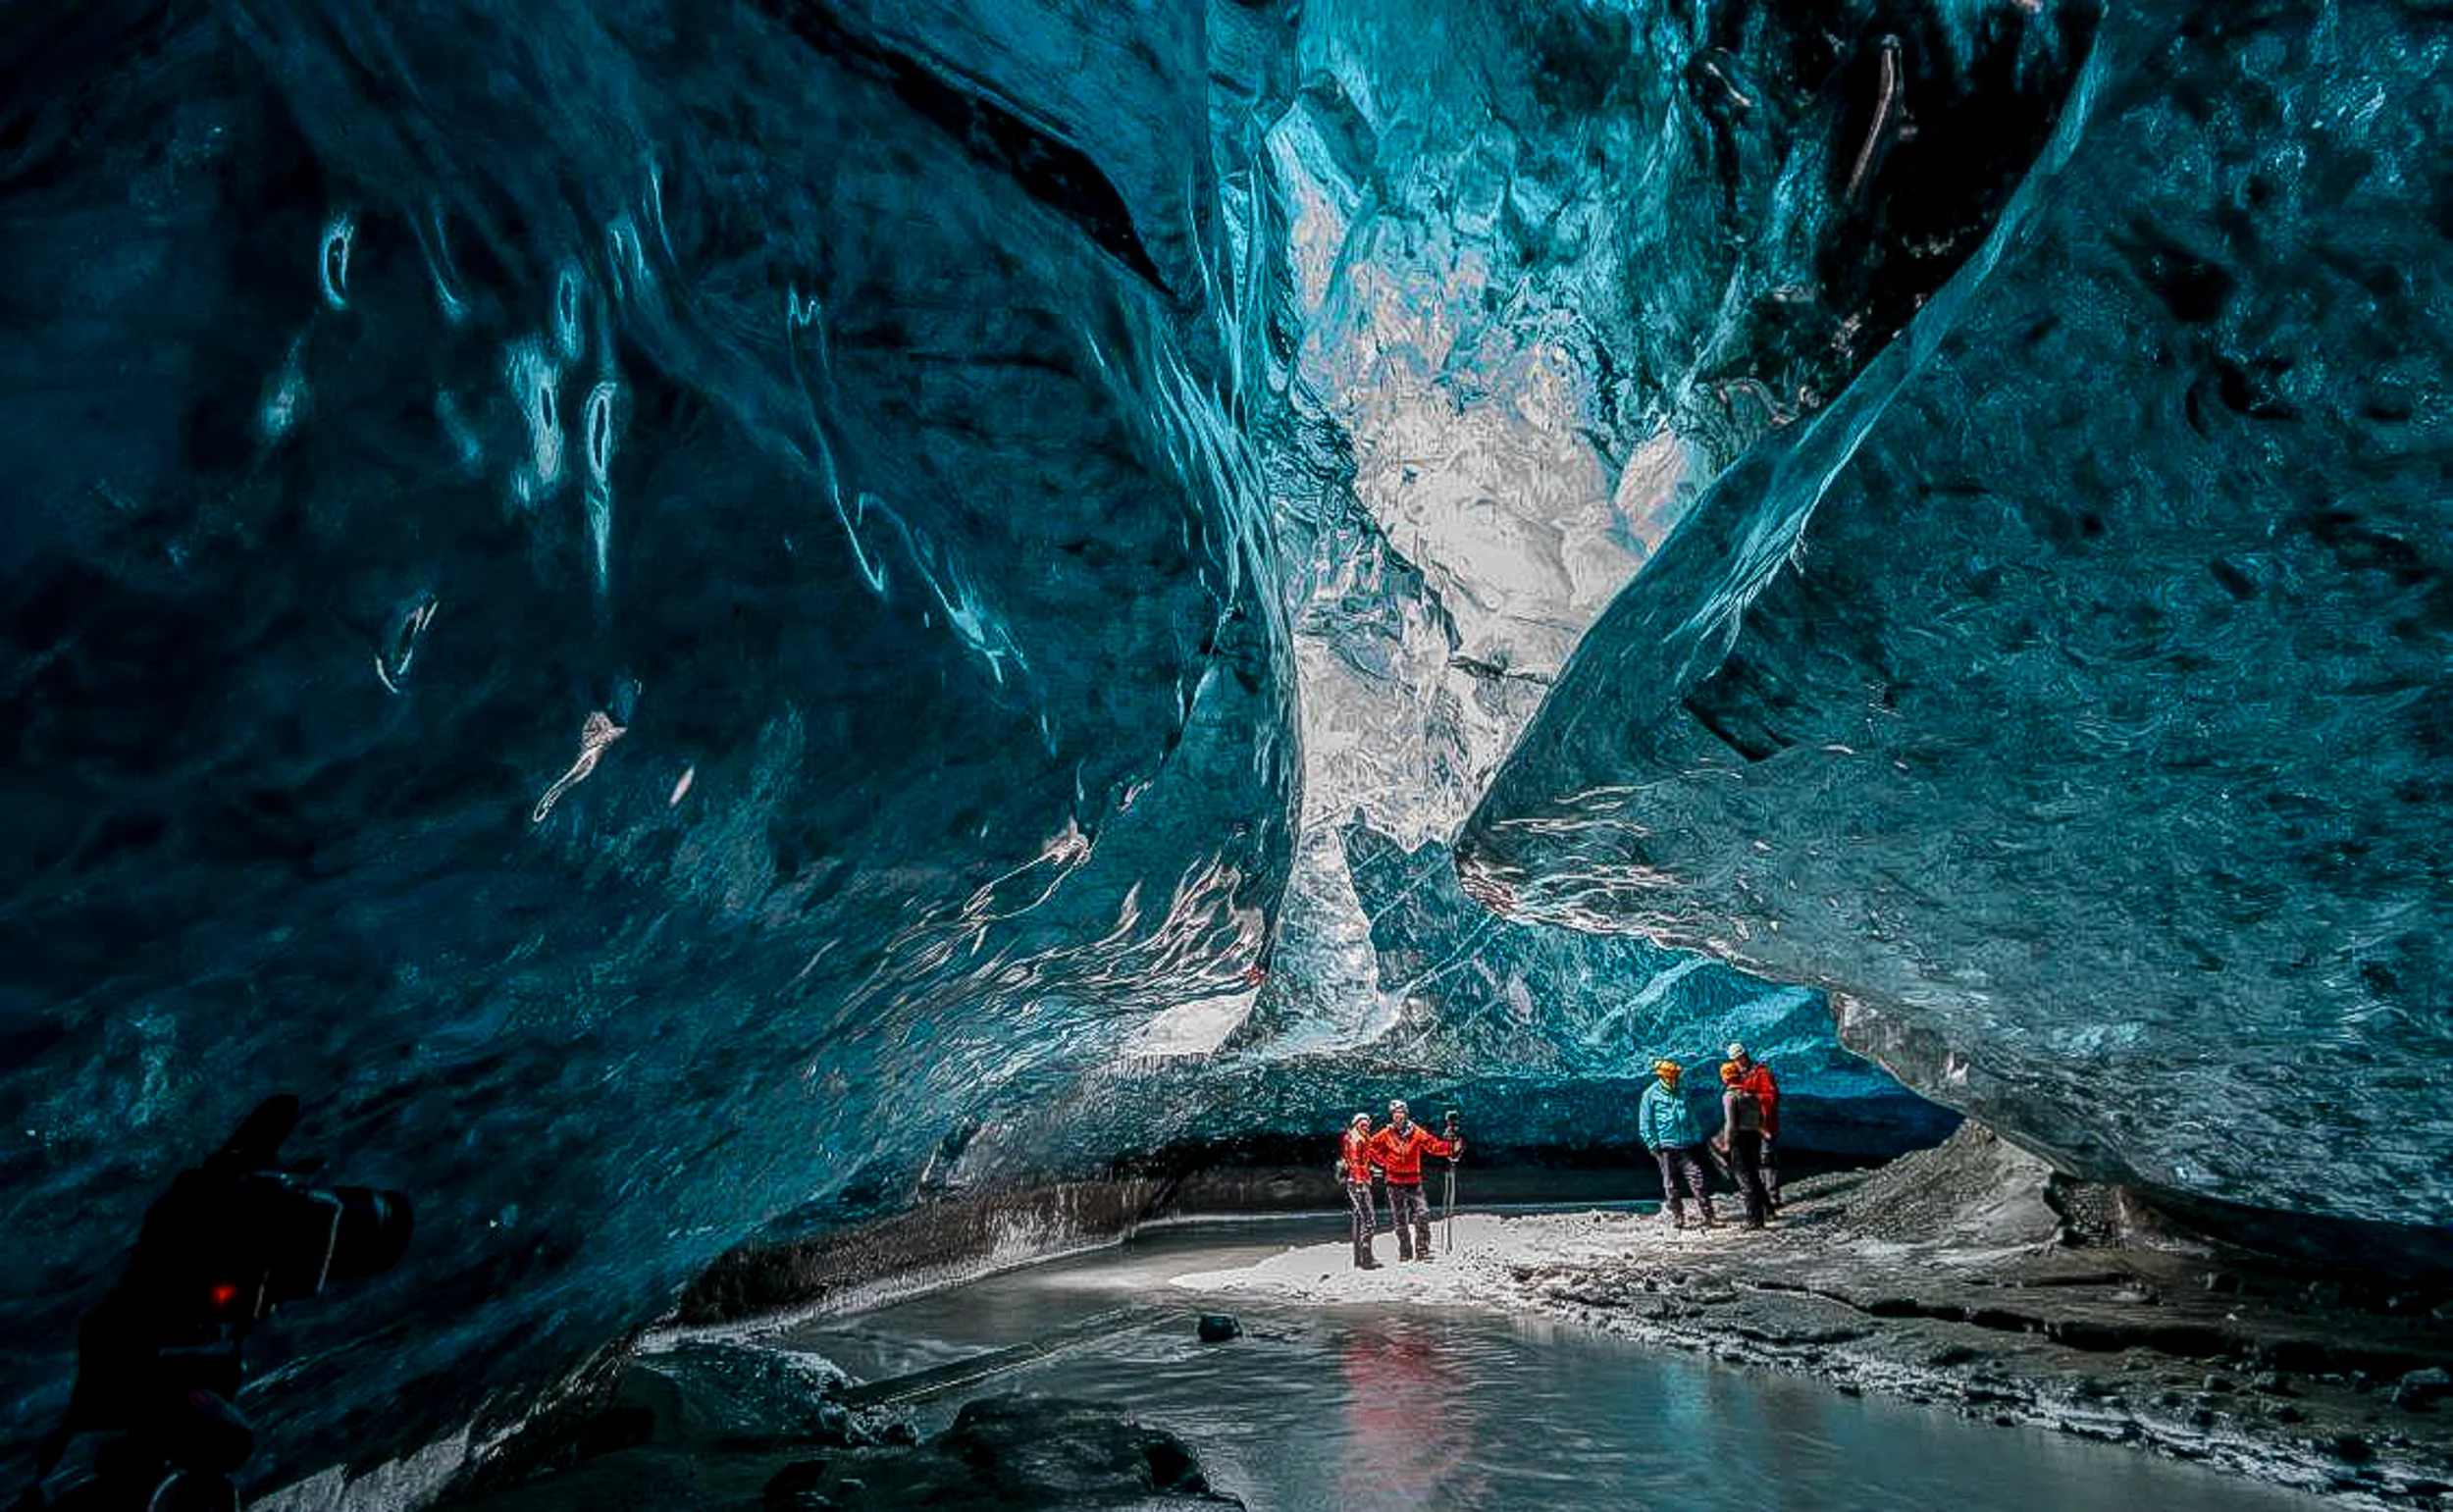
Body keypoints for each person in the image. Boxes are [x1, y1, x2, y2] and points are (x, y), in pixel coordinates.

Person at [1365, 1099, 1461, 1261]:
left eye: (1401, 1113)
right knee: (1400, 1219)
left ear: (1406, 1114)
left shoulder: (1416, 1132)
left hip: (1413, 1180)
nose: (1398, 1116)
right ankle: (1405, 1252)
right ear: (1392, 1115)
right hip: (1394, 1181)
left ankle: (1422, 1250)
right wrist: (1383, 1162)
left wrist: (1451, 1147)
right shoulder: (1386, 1133)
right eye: (1395, 1113)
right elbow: (1370, 1146)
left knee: (1422, 1213)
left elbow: (1433, 1146)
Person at [1638, 1060, 1715, 1229]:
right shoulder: (1650, 1094)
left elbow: (1691, 1116)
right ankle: (1678, 1217)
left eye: (1676, 1076)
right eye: (1672, 1076)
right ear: (1664, 1076)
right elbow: (1645, 1123)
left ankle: (1709, 1215)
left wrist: (1696, 1136)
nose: (1675, 1079)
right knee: (1670, 1184)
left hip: (1685, 1145)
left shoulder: (1680, 1092)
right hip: (1665, 1147)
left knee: (1697, 1179)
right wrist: (1652, 1144)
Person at [1715, 1063, 1772, 1227]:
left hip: (1739, 1139)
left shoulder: (1730, 1096)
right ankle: (1768, 1210)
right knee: (1754, 1175)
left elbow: (1731, 1124)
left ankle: (1754, 1220)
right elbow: (1760, 1119)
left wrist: (1727, 1144)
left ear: (1725, 1078)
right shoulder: (1751, 1095)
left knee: (1744, 1178)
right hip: (1754, 1136)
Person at [1726, 1042, 1782, 1209]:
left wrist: (1751, 1098)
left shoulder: (1761, 1072)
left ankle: (1772, 1196)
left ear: (1745, 1055)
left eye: (1739, 1058)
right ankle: (1762, 1196)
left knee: (1767, 1158)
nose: (1738, 1062)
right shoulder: (1738, 1076)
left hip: (1765, 1122)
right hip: (1748, 1127)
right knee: (1752, 1160)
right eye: (1735, 1060)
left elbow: (1772, 1096)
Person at [1335, 1113, 1383, 1269]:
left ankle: (1358, 1259)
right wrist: (1360, 1183)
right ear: (1356, 1124)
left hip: (1355, 1181)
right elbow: (1356, 1163)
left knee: (1359, 1220)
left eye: (1367, 1124)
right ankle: (1366, 1259)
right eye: (1363, 1124)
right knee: (1369, 1221)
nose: (1366, 1127)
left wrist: (1370, 1170)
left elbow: (1359, 1162)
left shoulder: (1354, 1137)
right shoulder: (1358, 1139)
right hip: (1359, 1184)